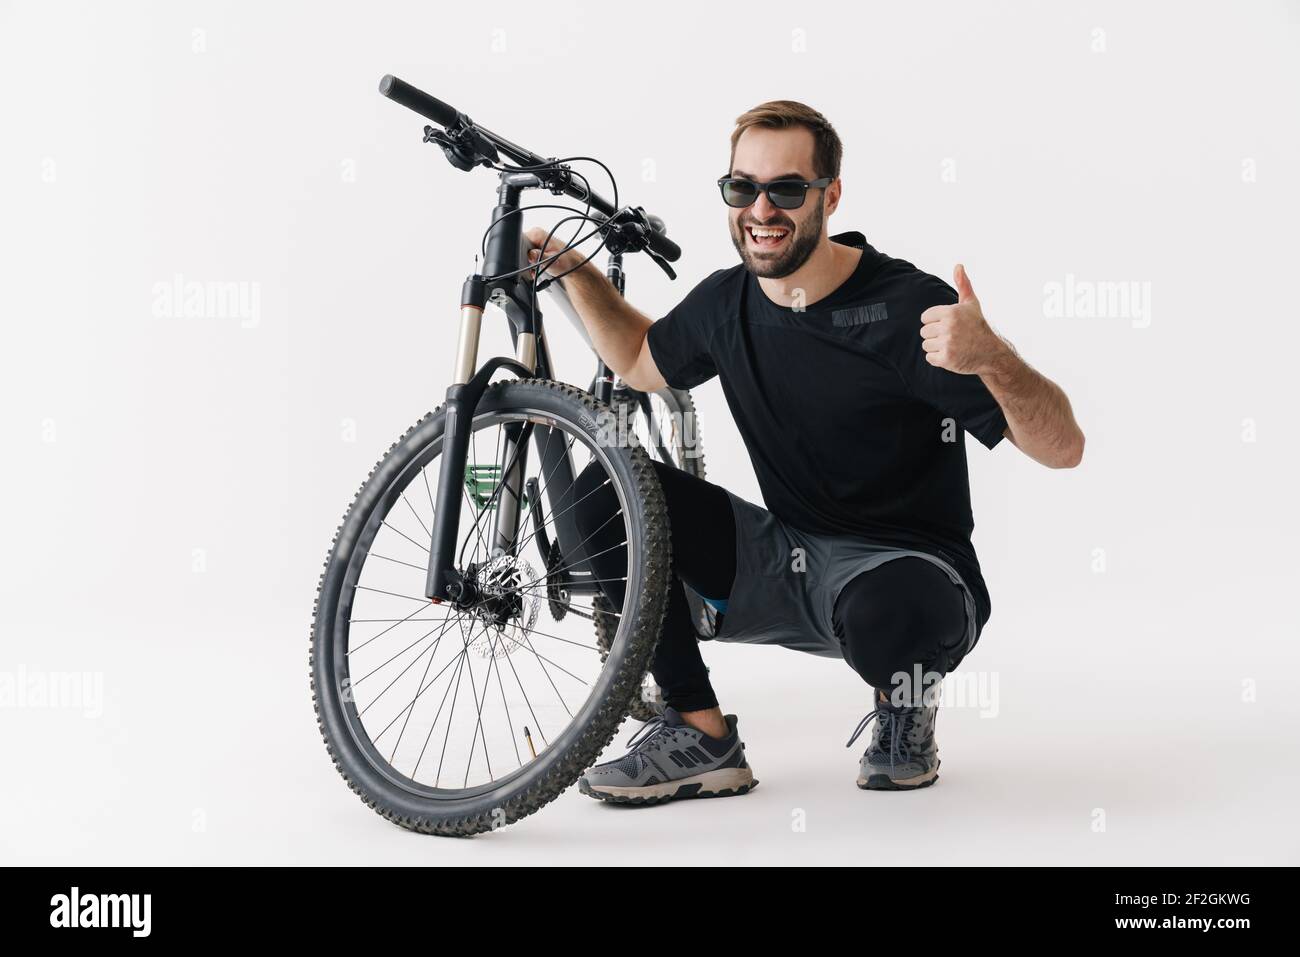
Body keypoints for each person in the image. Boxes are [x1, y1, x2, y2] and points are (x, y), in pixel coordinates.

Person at [524, 100, 1084, 805]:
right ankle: (701, 734)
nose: (761, 208)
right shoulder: (729, 302)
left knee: (888, 617)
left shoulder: (905, 309)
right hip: (783, 554)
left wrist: (993, 357)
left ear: (830, 196)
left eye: (786, 189)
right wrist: (576, 269)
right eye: (742, 188)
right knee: (606, 494)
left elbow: (1064, 447)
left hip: (908, 568)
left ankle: (903, 702)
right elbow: (640, 356)